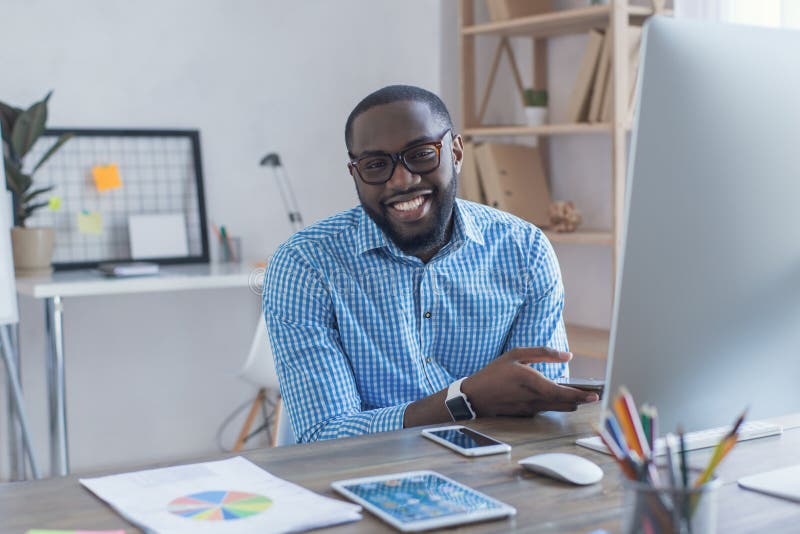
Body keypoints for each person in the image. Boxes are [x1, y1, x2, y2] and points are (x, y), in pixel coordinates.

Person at [263, 85, 598, 443]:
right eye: (376, 165)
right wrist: (463, 399)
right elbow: (324, 436)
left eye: (421, 154)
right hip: (364, 480)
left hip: (494, 476)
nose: (402, 180)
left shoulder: (525, 251)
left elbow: (541, 413)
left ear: (455, 152)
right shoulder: (306, 265)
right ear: (355, 173)